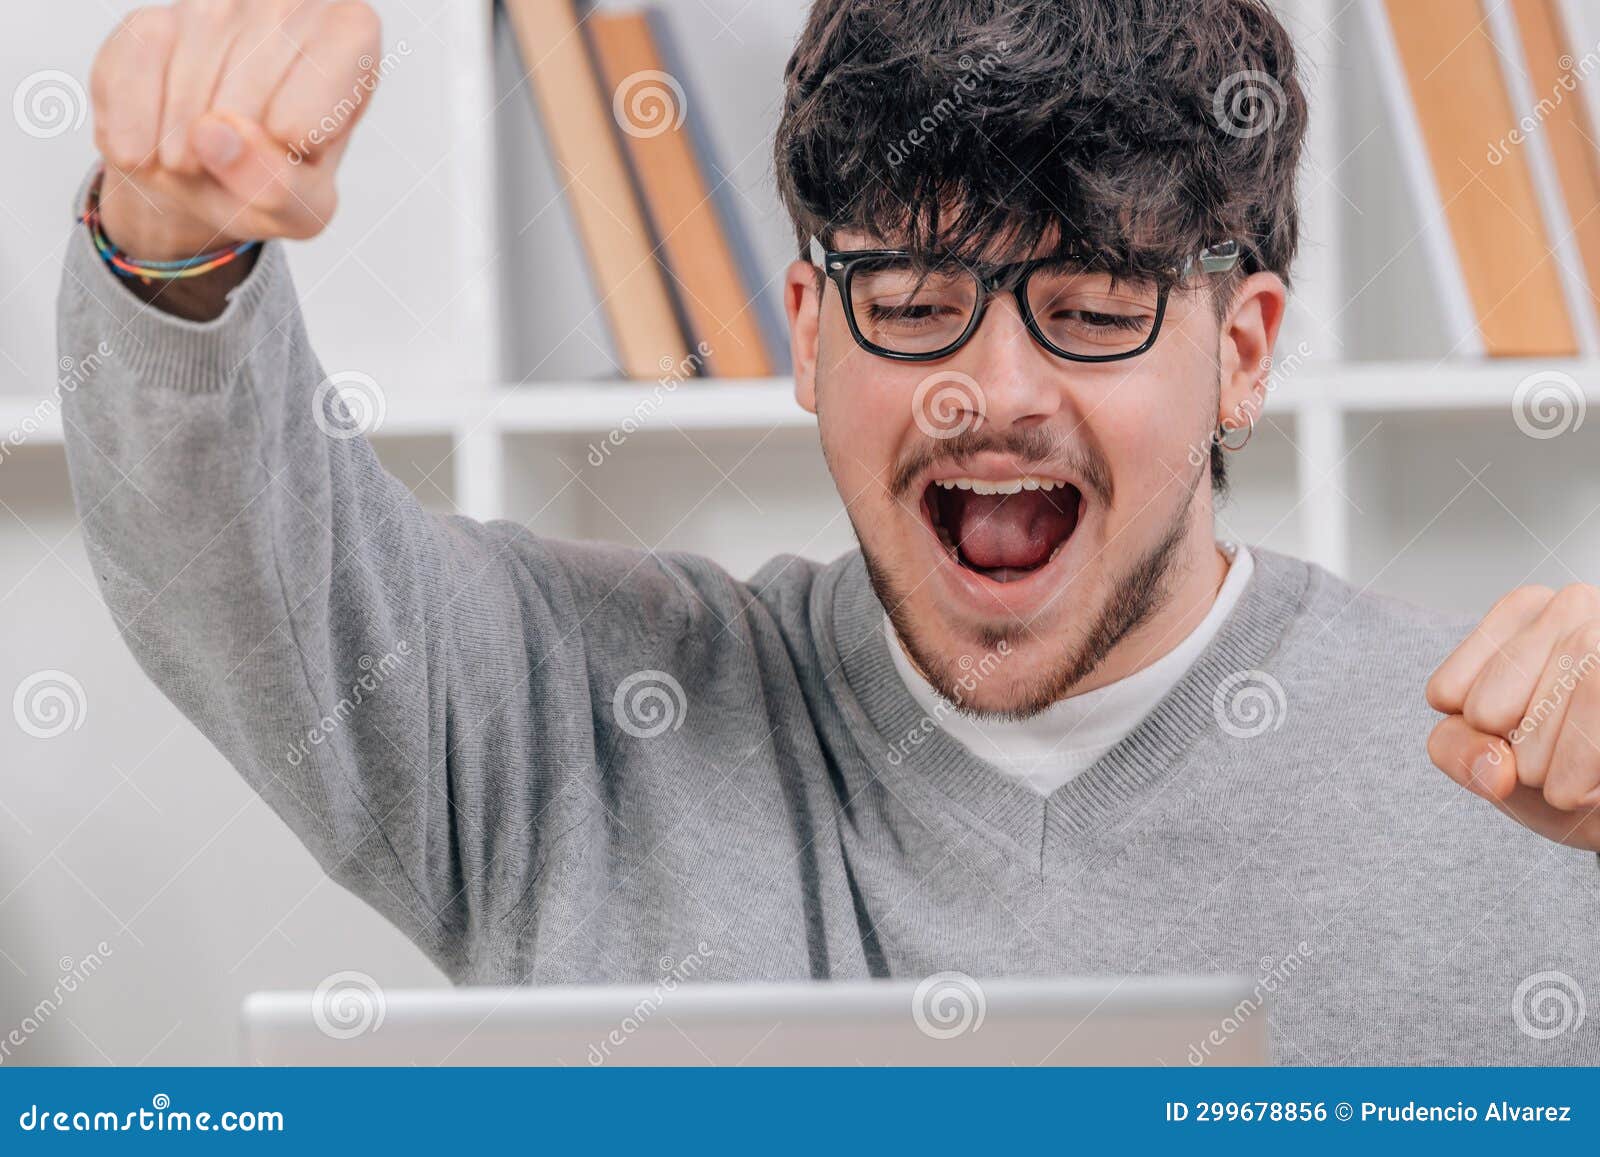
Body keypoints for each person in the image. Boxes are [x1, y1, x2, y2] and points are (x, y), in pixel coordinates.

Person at [61, 0, 1600, 1063]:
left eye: (1091, 310)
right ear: (807, 334)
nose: (991, 396)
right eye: (913, 305)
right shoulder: (566, 725)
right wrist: (176, 236)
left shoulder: (1521, 784)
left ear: (1244, 350)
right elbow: (239, 574)